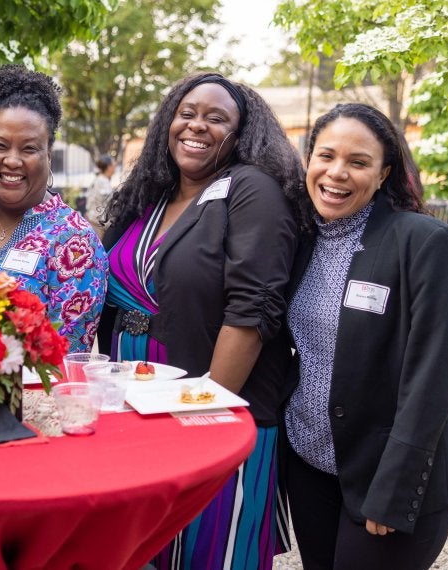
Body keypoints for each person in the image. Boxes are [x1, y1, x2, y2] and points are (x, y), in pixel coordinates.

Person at [98, 72, 307, 569]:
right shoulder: (151, 196)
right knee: (146, 548)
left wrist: (203, 413)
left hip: (210, 407)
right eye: (186, 113)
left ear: (240, 135)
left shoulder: (250, 189)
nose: (197, 126)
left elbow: (252, 310)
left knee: (208, 548)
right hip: (135, 404)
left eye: (217, 118)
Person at [281, 103, 448, 569]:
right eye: (326, 156)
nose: (337, 173)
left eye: (358, 162)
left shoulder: (425, 243)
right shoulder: (301, 239)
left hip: (386, 477)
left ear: (385, 172)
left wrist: (394, 488)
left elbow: (433, 377)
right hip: (310, 465)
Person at [0, 65, 107, 353]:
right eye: (0, 145)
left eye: (28, 149)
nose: (12, 160)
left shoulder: (74, 242)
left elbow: (65, 356)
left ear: (48, 157)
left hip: (29, 396)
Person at [84, 154, 116, 233]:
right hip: (97, 224)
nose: (115, 167)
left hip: (94, 220)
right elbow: (111, 202)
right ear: (109, 167)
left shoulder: (100, 179)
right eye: (114, 165)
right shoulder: (102, 182)